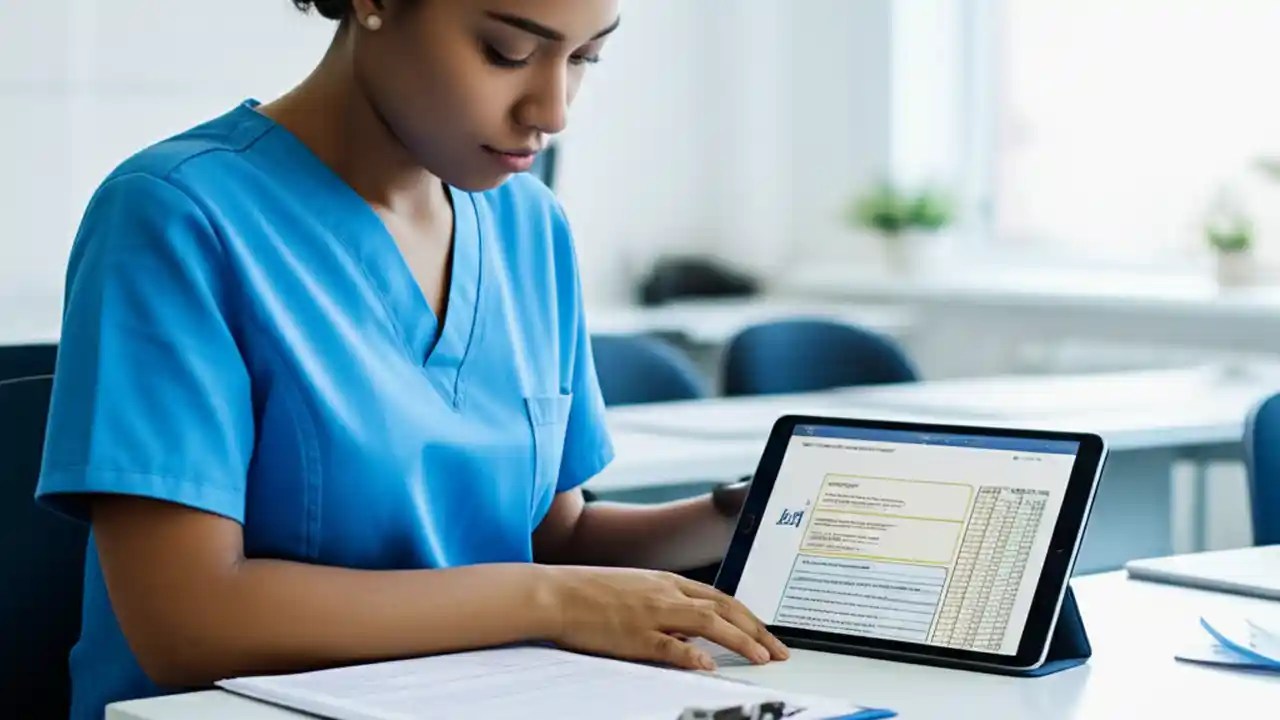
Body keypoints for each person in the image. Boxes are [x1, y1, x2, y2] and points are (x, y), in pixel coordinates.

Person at [34, 1, 788, 717]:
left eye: (586, 57)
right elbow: (189, 624)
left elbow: (552, 541)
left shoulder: (530, 227)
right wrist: (555, 601)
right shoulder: (176, 216)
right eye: (508, 52)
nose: (553, 112)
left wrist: (746, 511)